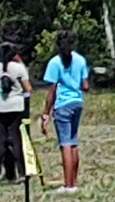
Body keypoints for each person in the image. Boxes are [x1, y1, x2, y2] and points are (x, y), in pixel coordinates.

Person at [38, 31, 90, 193]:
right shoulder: (80, 60)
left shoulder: (54, 63)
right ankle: (73, 180)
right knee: (73, 142)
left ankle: (68, 185)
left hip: (63, 105)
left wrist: (46, 112)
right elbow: (86, 86)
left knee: (65, 144)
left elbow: (51, 90)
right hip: (77, 102)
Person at [0, 41, 32, 184]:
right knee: (15, 140)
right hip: (16, 108)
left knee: (0, 141)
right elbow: (28, 88)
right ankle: (22, 173)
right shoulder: (18, 68)